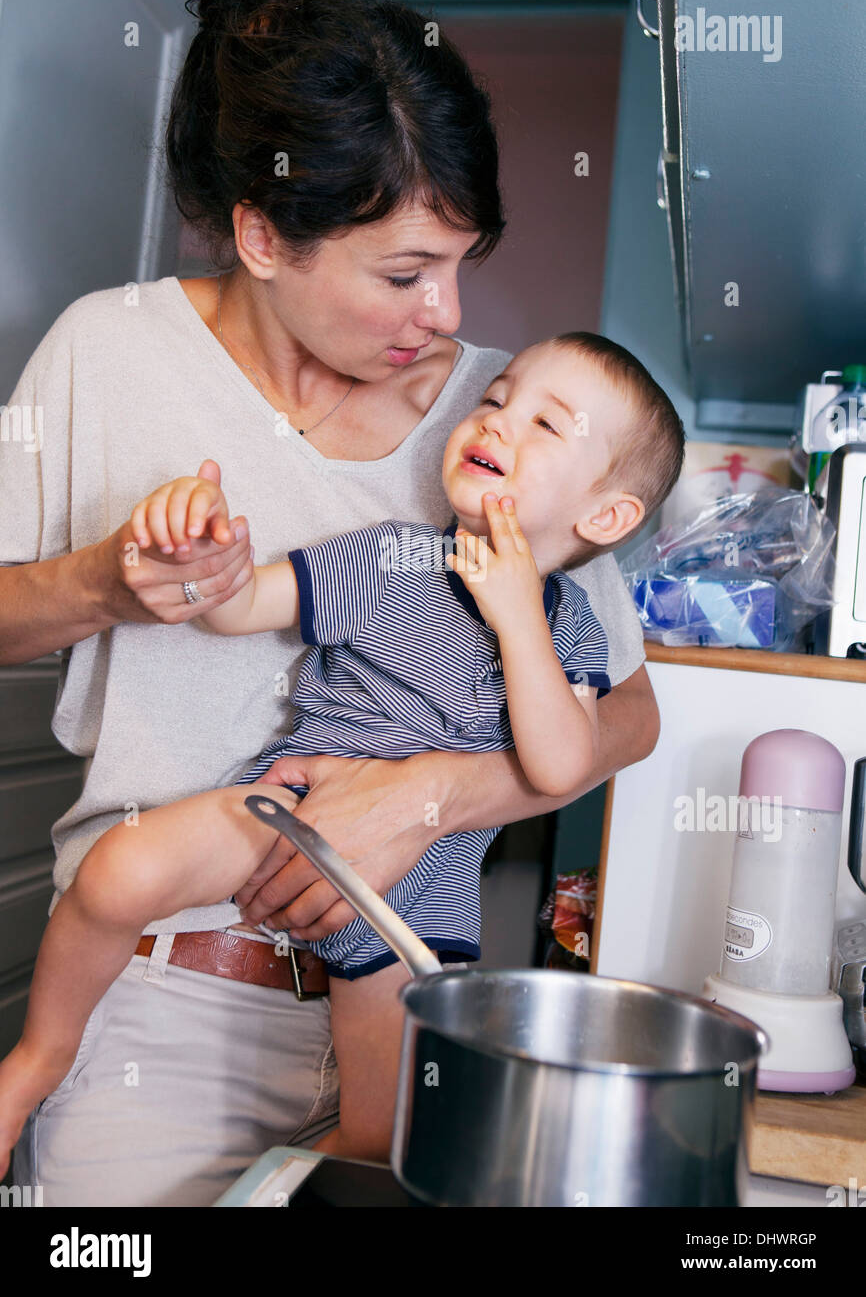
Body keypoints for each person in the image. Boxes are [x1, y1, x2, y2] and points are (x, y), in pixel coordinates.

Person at [0, 0, 661, 1206]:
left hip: (401, 1005)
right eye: (404, 272)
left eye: (462, 264)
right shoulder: (105, 352)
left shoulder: (513, 425)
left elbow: (622, 716)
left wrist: (421, 801)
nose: (450, 316)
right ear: (263, 235)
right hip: (161, 1010)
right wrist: (105, 582)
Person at [0, 333, 684, 1172]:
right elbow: (242, 604)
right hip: (291, 813)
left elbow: (559, 765)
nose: (498, 423)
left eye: (547, 424)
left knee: (374, 1140)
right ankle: (36, 1061)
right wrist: (203, 555)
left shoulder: (569, 625)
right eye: (498, 398)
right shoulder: (394, 559)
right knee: (114, 874)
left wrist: (516, 617)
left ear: (605, 516)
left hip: (417, 906)